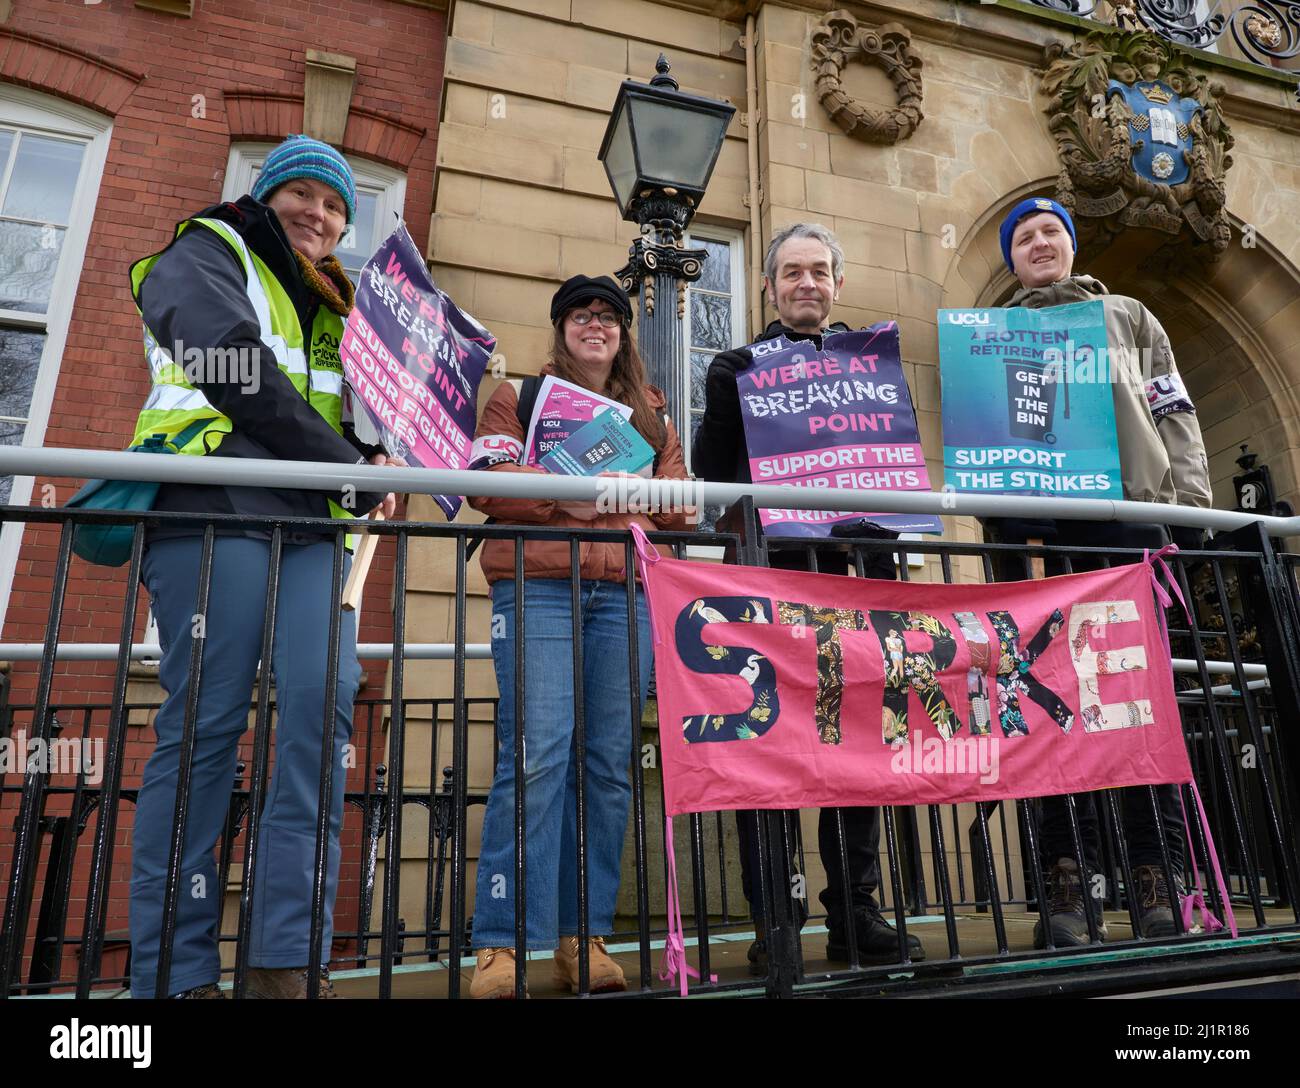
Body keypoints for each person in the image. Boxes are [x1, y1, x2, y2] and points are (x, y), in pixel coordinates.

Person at [127, 135, 403, 998]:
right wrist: (345, 466)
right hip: (212, 509)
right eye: (303, 195)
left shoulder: (343, 306)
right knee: (207, 729)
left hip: (314, 532)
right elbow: (221, 358)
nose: (318, 214)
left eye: (336, 205)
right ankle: (175, 975)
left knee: (321, 720)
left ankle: (289, 963)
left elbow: (355, 422)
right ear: (267, 195)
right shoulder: (209, 246)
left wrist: (388, 449)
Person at [693, 223, 926, 970]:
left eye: (820, 272)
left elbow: (895, 469)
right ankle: (778, 921)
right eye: (792, 272)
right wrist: (733, 395)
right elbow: (710, 472)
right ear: (769, 287)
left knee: (859, 750)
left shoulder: (873, 364)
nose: (807, 284)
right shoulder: (736, 364)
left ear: (837, 284)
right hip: (772, 582)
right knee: (775, 752)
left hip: (859, 584)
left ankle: (856, 913)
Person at [991, 196, 1212, 947]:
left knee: (1138, 704)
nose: (1040, 243)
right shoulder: (993, 335)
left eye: (1051, 230)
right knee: (1056, 712)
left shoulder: (1129, 315)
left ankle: (1159, 878)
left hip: (1130, 527)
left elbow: (1173, 411)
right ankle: (1068, 882)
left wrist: (1191, 508)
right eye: (1024, 238)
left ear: (1072, 245)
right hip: (1043, 542)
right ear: (1010, 259)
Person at [466, 275, 689, 998]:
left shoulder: (651, 412)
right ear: (561, 328)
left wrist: (605, 494)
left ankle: (581, 937)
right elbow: (488, 483)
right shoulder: (519, 397)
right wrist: (565, 491)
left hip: (624, 594)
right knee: (535, 755)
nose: (596, 326)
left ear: (624, 333)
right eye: (581, 316)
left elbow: (683, 503)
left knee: (609, 766)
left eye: (609, 317)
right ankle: (501, 946)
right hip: (538, 588)